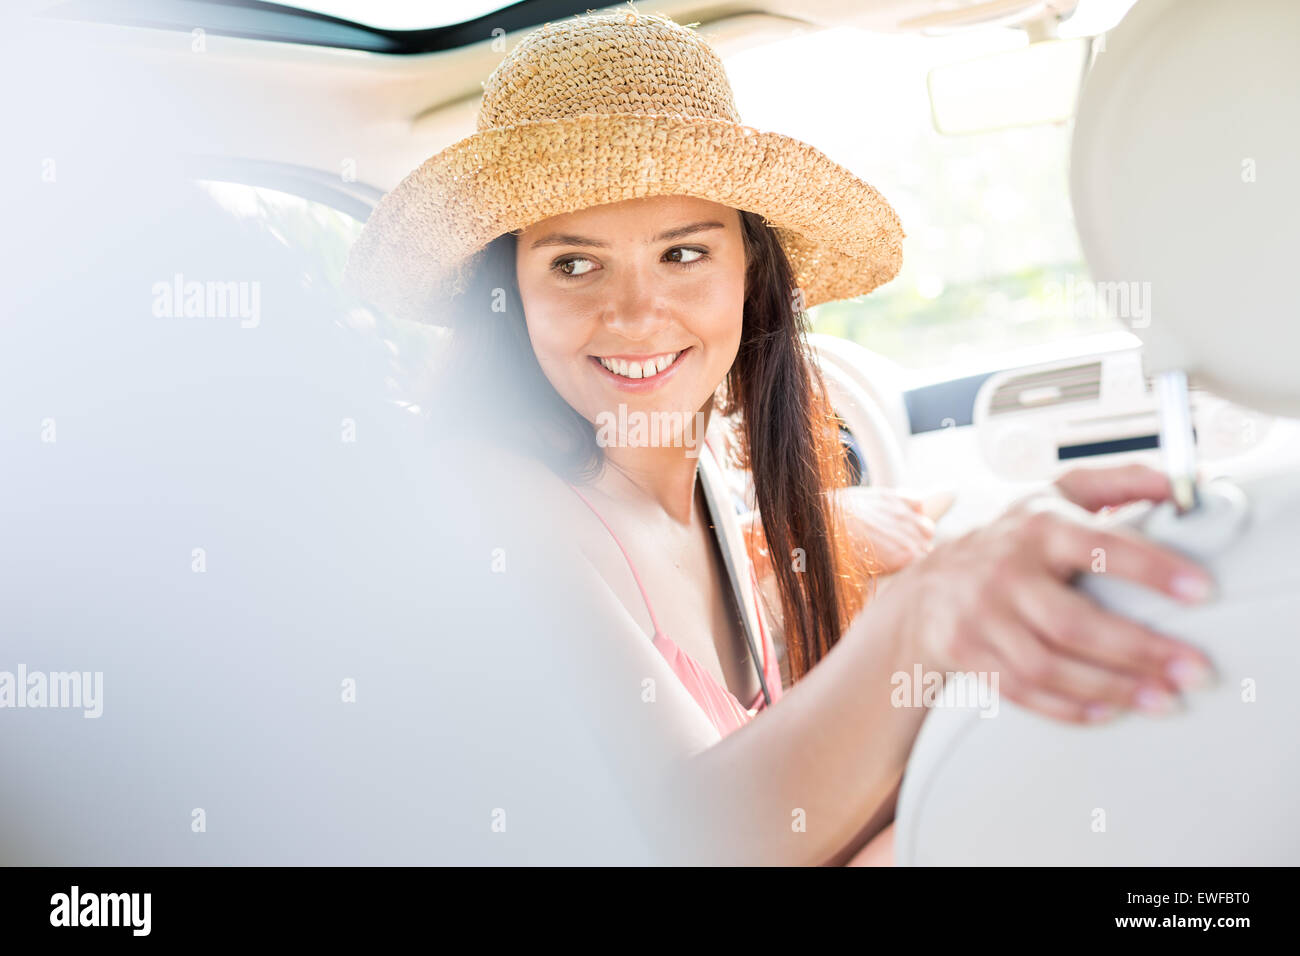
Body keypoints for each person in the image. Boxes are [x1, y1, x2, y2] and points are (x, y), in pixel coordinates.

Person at [343, 9, 1218, 866]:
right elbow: (694, 838)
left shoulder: (720, 488)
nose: (637, 315)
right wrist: (926, 612)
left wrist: (829, 535)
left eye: (683, 254)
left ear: (752, 271)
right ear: (512, 297)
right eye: (574, 264)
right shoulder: (484, 499)